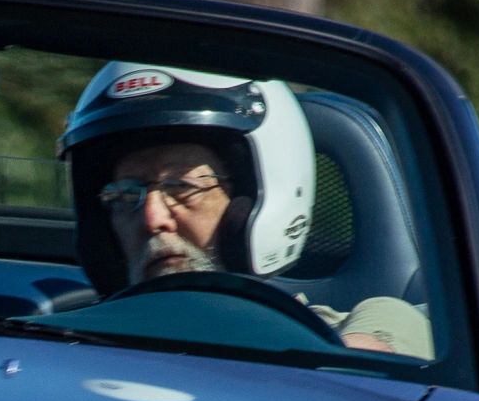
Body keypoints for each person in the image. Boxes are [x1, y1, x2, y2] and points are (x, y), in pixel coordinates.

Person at [58, 62, 433, 358]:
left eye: (181, 187)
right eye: (125, 196)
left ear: (257, 199)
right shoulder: (62, 339)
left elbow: (364, 371)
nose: (152, 218)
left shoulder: (366, 320)